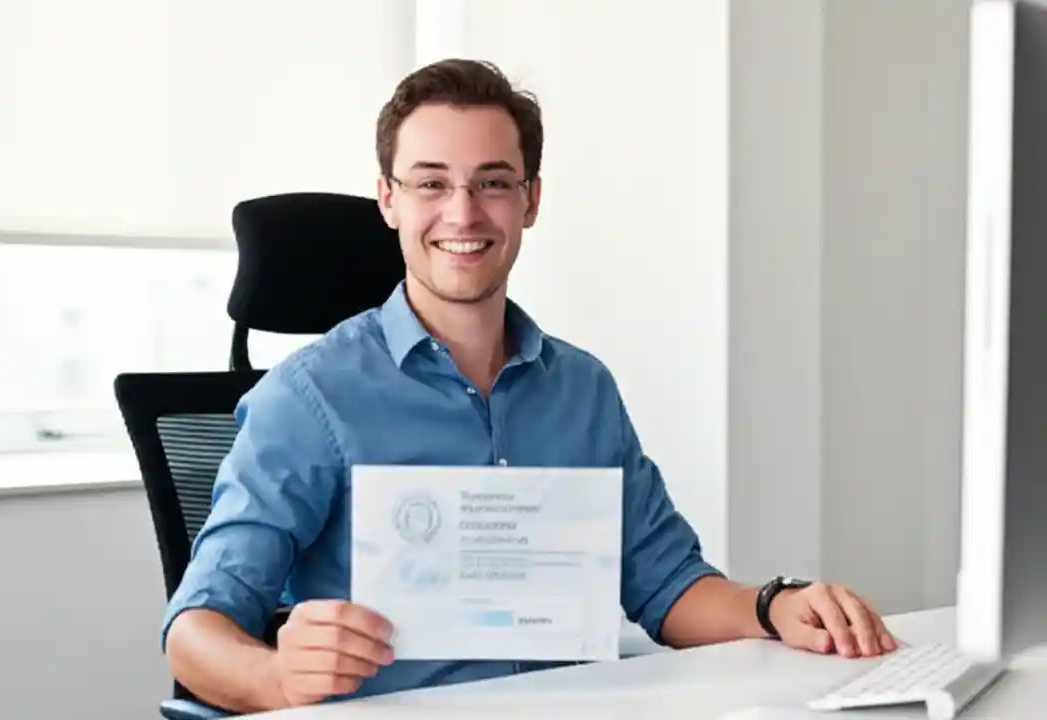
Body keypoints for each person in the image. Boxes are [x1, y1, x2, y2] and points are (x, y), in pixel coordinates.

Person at [161, 58, 897, 713]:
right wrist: (276, 677)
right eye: (431, 184)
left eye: (492, 183)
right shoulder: (309, 397)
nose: (463, 213)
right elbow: (196, 630)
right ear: (389, 201)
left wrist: (776, 607)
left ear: (530, 200)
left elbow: (667, 585)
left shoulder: (583, 389)